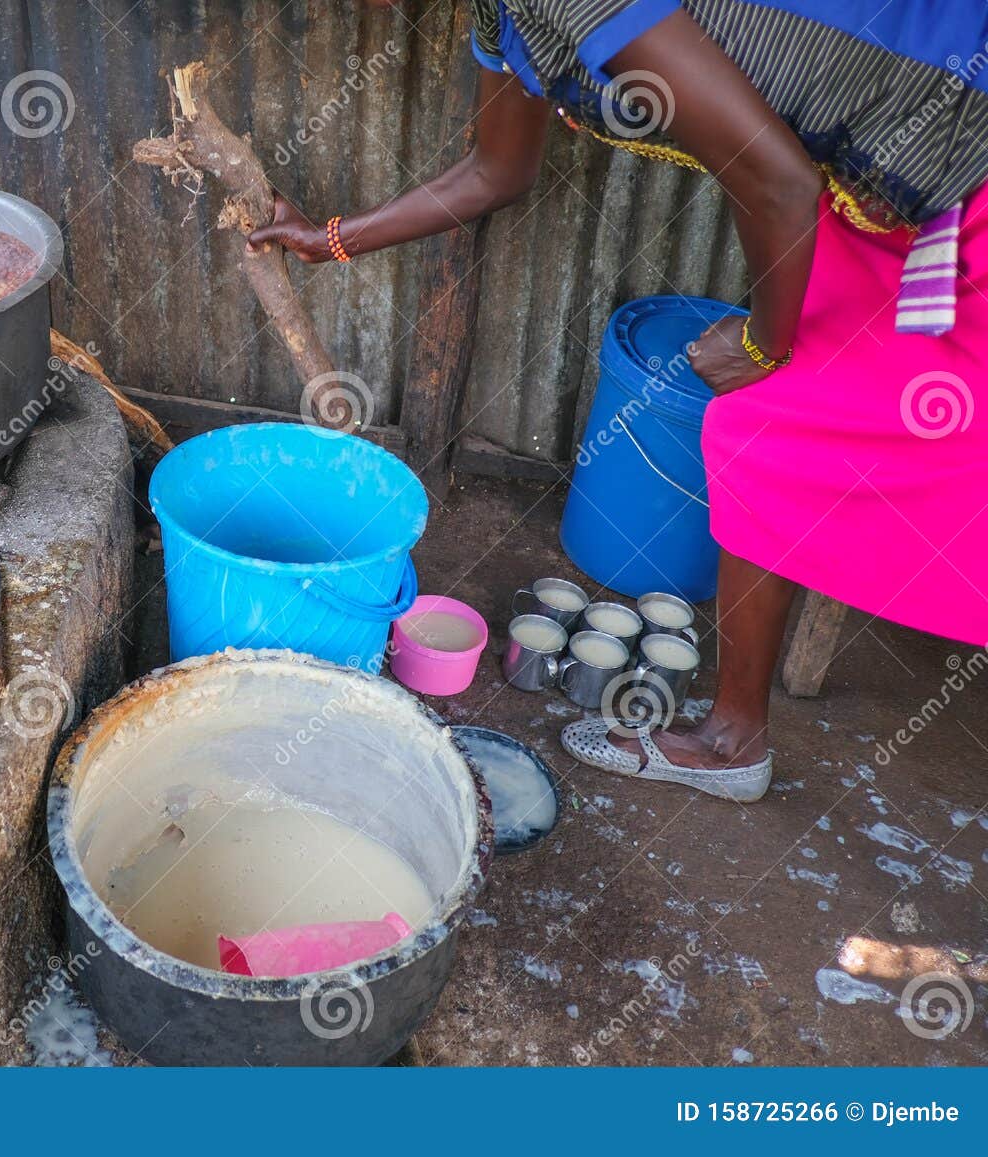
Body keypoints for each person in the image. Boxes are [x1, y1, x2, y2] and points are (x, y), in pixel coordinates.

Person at [250, 1, 988, 801]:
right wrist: (329, 240)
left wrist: (758, 346)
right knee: (766, 430)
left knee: (768, 424)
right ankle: (736, 739)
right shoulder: (502, 20)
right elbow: (499, 170)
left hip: (949, 192)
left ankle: (731, 740)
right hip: (883, 207)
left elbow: (778, 183)